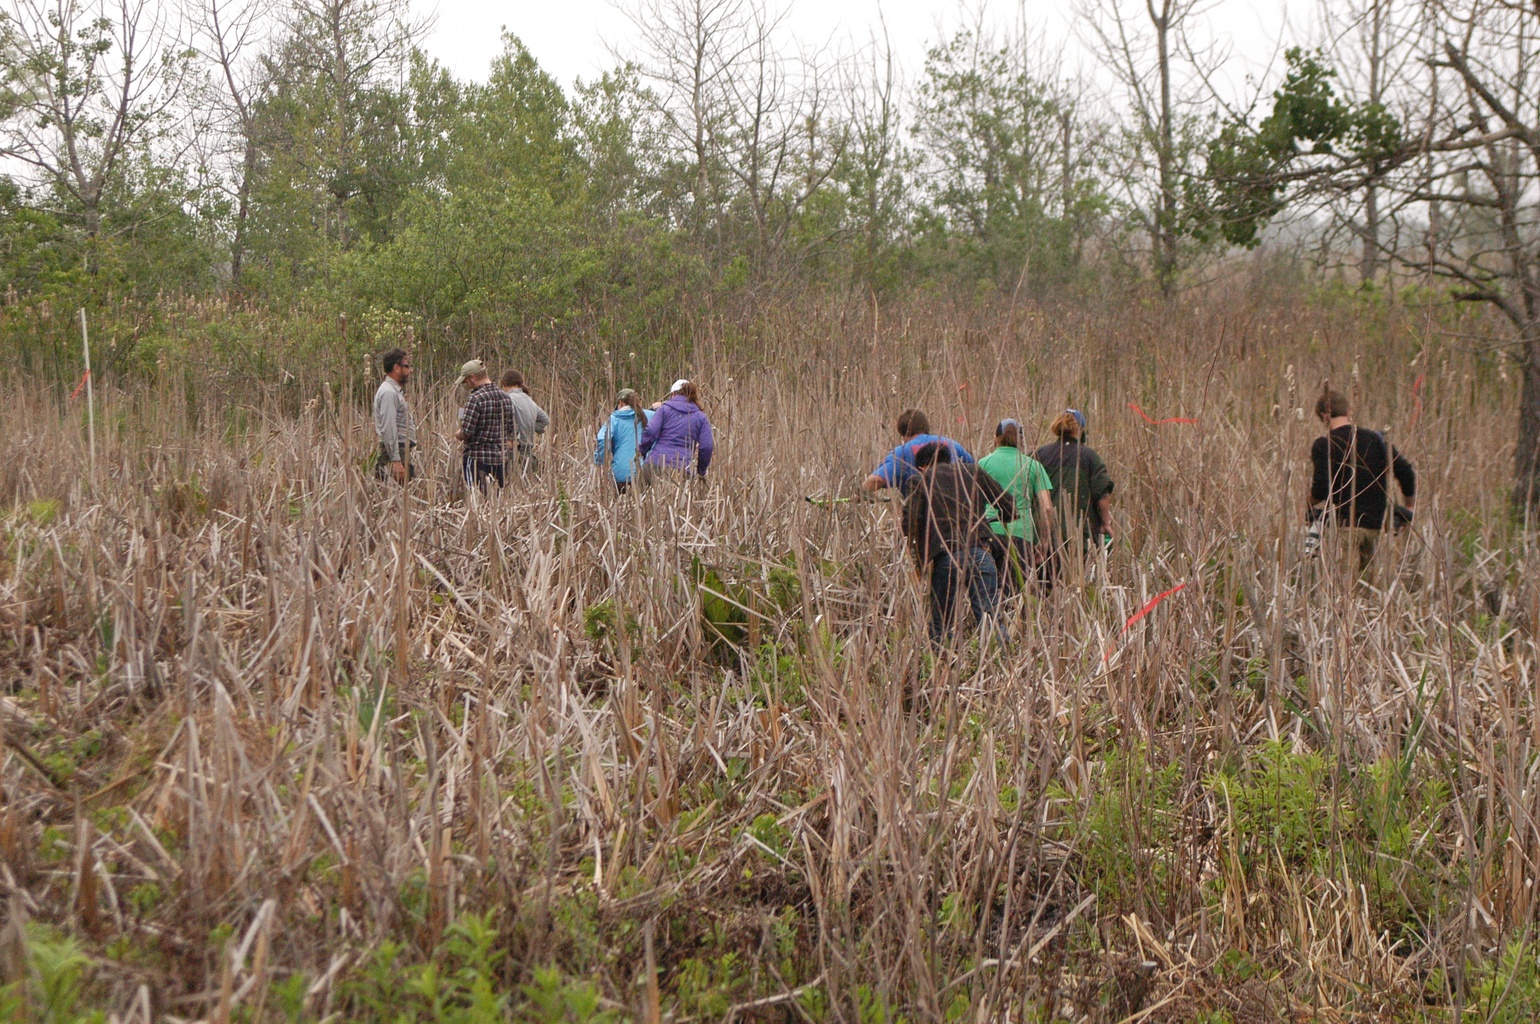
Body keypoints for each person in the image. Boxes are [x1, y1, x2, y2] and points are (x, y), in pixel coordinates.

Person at [902, 442, 1016, 644]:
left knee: (941, 627)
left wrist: (917, 554)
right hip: (981, 552)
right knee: (990, 619)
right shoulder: (972, 472)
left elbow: (909, 523)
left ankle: (944, 666)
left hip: (946, 558)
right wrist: (1005, 516)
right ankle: (1004, 663)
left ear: (922, 466)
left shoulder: (919, 481)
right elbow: (1009, 506)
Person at [1305, 388, 1416, 573]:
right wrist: (1409, 508)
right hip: (1377, 528)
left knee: (1343, 592)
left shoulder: (1324, 445)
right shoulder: (1377, 439)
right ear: (1349, 411)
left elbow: (1320, 490)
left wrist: (1307, 505)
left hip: (1345, 528)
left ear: (1324, 416)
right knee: (1369, 591)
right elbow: (1406, 472)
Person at [978, 419, 1056, 591]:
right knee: (1015, 591)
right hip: (1022, 534)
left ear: (995, 438)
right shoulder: (1033, 466)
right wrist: (1044, 541)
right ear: (1021, 440)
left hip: (989, 532)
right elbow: (1047, 508)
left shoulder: (983, 464)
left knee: (989, 590)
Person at [1034, 409, 1114, 562]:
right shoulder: (1089, 457)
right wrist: (1106, 522)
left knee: (1045, 578)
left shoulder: (1040, 454)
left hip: (1043, 533)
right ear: (1081, 430)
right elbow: (1102, 493)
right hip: (1079, 534)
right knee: (1076, 579)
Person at [862, 409, 976, 494]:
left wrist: (861, 495)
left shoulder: (900, 453)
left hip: (923, 519)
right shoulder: (953, 445)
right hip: (959, 516)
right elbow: (974, 471)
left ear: (903, 435)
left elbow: (876, 479)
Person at [638, 378, 714, 482]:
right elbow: (707, 447)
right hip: (683, 469)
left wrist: (642, 451)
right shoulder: (701, 417)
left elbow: (651, 431)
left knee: (642, 496)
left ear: (673, 394)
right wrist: (701, 470)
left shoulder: (664, 409)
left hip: (655, 464)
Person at [456, 359, 510, 492]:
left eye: (466, 381)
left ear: (473, 377)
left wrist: (458, 433)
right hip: (500, 460)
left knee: (475, 497)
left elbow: (467, 432)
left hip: (477, 459)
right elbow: (511, 430)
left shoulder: (475, 399)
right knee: (496, 500)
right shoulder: (506, 397)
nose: (467, 385)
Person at [594, 387, 651, 492]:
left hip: (621, 475)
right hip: (645, 473)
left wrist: (598, 461)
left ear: (620, 403)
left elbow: (603, 440)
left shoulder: (614, 419)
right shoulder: (650, 416)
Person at [373, 347, 416, 483]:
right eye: (407, 366)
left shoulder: (393, 391)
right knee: (397, 495)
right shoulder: (389, 393)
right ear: (397, 368)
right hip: (396, 451)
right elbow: (389, 427)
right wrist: (396, 460)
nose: (410, 371)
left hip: (399, 450)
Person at [500, 370, 550, 474]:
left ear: (504, 385)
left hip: (514, 455)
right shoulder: (529, 400)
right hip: (528, 456)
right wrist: (530, 426)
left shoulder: (508, 399)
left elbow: (509, 423)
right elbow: (545, 420)